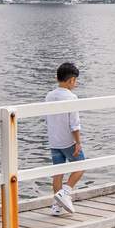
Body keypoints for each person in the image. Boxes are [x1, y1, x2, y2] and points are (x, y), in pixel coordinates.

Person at [45, 62, 85, 215]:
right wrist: (78, 142)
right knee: (81, 166)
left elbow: (47, 118)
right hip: (68, 141)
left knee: (58, 173)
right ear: (71, 80)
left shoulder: (49, 96)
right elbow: (74, 124)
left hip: (54, 140)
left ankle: (57, 207)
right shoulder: (71, 97)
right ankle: (65, 192)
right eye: (75, 80)